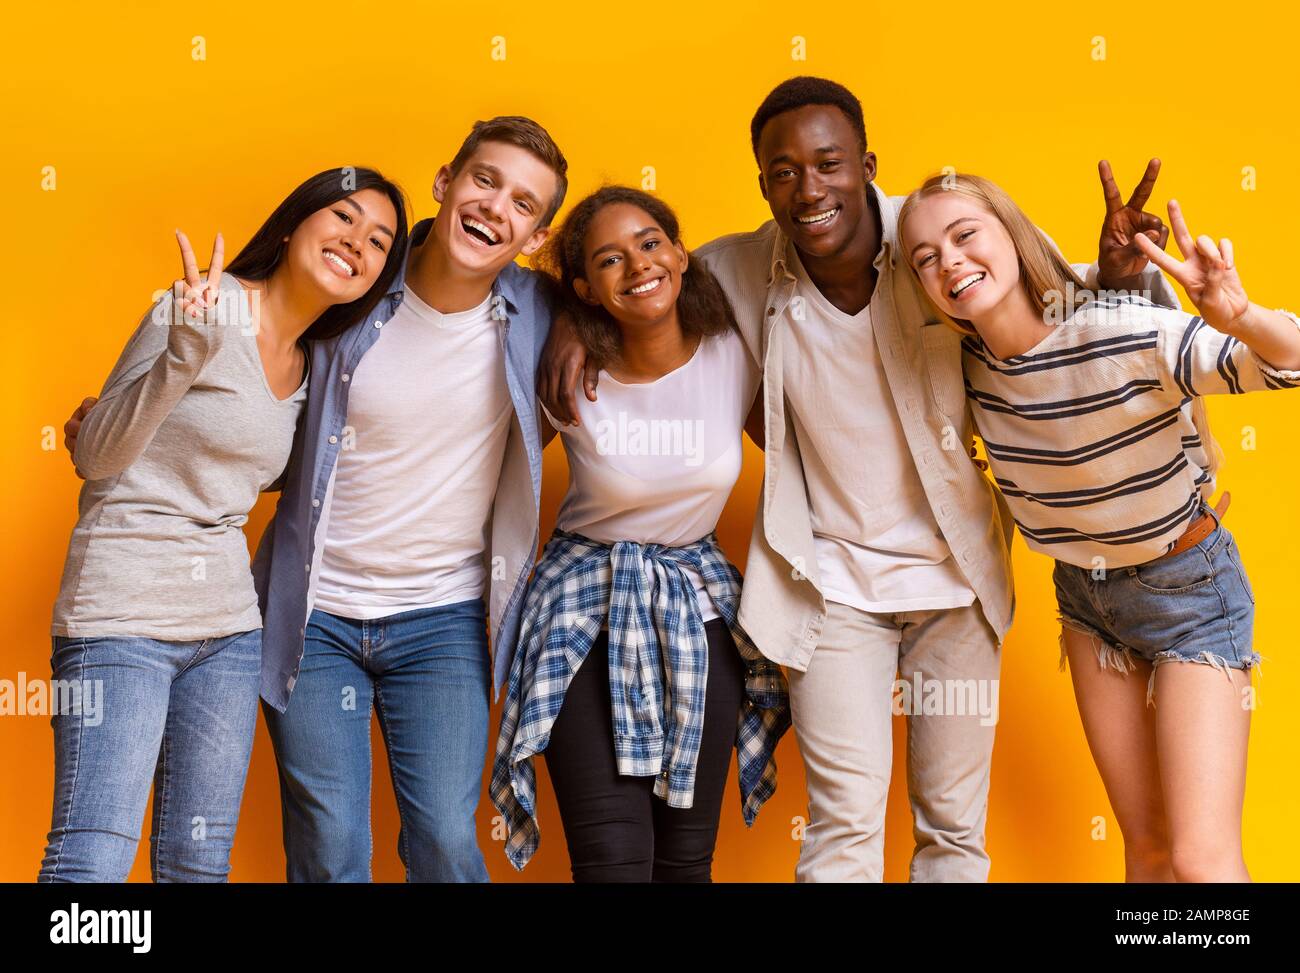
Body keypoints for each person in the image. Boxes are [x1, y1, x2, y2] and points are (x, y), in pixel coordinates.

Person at [539, 76, 1178, 882]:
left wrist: (1121, 278)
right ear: (764, 182)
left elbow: (1060, 312)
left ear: (868, 164)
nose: (810, 189)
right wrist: (569, 316)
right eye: (783, 172)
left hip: (955, 584)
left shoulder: (937, 235)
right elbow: (634, 276)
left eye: (829, 163)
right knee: (842, 829)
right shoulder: (733, 271)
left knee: (952, 828)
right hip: (830, 587)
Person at [63, 117, 569, 883]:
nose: (498, 207)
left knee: (442, 840)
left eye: (525, 204)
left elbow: (645, 305)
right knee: (327, 851)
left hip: (439, 618)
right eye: (485, 180)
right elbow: (247, 432)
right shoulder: (348, 302)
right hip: (312, 616)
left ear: (535, 235)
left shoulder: (541, 314)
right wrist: (121, 414)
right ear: (445, 182)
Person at [898, 173, 1300, 882]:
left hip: (1190, 593)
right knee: (1145, 850)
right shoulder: (962, 369)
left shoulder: (1127, 331)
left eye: (965, 236)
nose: (949, 262)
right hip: (1086, 603)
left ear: (1017, 238)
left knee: (1200, 860)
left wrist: (1241, 318)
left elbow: (1286, 362)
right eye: (926, 257)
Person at [43, 167, 407, 882]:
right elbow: (97, 454)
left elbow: (259, 473)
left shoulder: (313, 366)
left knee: (198, 863)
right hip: (122, 612)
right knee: (93, 857)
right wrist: (184, 351)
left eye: (378, 242)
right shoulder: (202, 306)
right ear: (292, 223)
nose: (355, 243)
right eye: (342, 217)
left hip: (229, 631)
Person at [491, 186, 790, 882]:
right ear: (584, 289)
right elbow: (489, 466)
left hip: (696, 606)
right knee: (612, 863)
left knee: (684, 863)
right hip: (581, 612)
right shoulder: (563, 372)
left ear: (682, 254)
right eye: (609, 260)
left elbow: (796, 249)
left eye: (651, 243)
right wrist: (563, 321)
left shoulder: (735, 351)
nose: (638, 266)